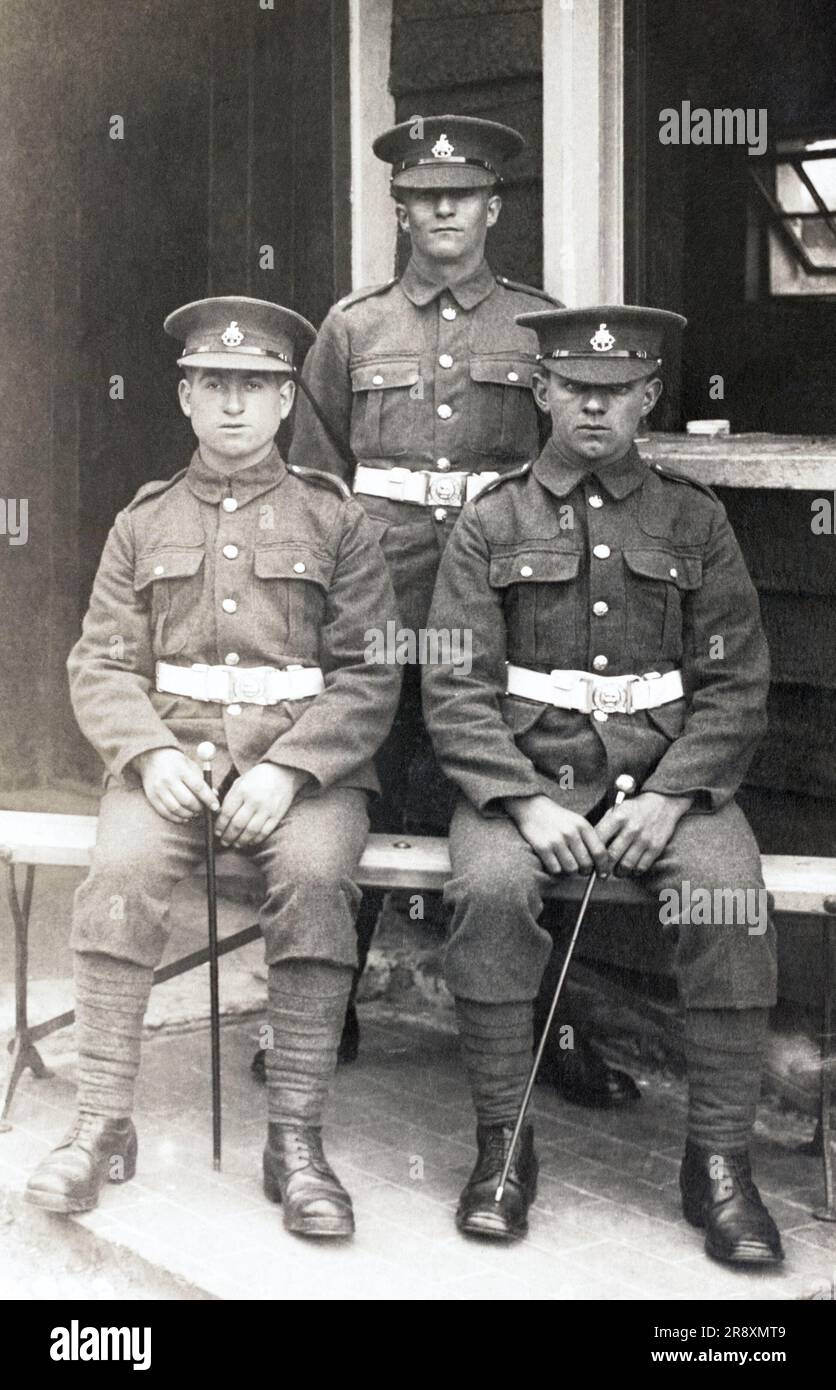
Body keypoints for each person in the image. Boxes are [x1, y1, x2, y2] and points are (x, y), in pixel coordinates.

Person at [280, 114, 637, 1106]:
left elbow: (569, 465)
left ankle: (551, 1024)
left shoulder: (538, 325)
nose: (442, 209)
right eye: (423, 195)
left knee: (539, 798)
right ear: (400, 208)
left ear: (492, 207)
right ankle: (324, 1009)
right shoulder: (352, 327)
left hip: (508, 602)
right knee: (351, 790)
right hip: (382, 598)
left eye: (462, 193)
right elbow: (312, 476)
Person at [25, 297, 401, 1239]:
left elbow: (370, 669)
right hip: (172, 760)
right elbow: (101, 662)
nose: (235, 406)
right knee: (116, 880)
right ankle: (100, 1122)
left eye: (258, 387)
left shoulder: (337, 520)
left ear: (285, 404)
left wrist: (293, 770)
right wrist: (147, 754)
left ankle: (297, 1141)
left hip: (301, 769)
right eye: (216, 386)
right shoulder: (141, 521)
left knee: (316, 882)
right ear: (186, 397)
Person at [422, 304, 783, 1266]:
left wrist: (670, 797)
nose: (594, 406)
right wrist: (522, 800)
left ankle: (719, 1165)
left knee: (731, 904)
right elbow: (454, 682)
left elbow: (737, 682)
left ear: (648, 398)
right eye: (576, 387)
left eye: (615, 391)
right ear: (542, 392)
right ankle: (504, 1145)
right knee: (490, 891)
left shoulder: (693, 519)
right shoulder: (489, 520)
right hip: (527, 777)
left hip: (669, 781)